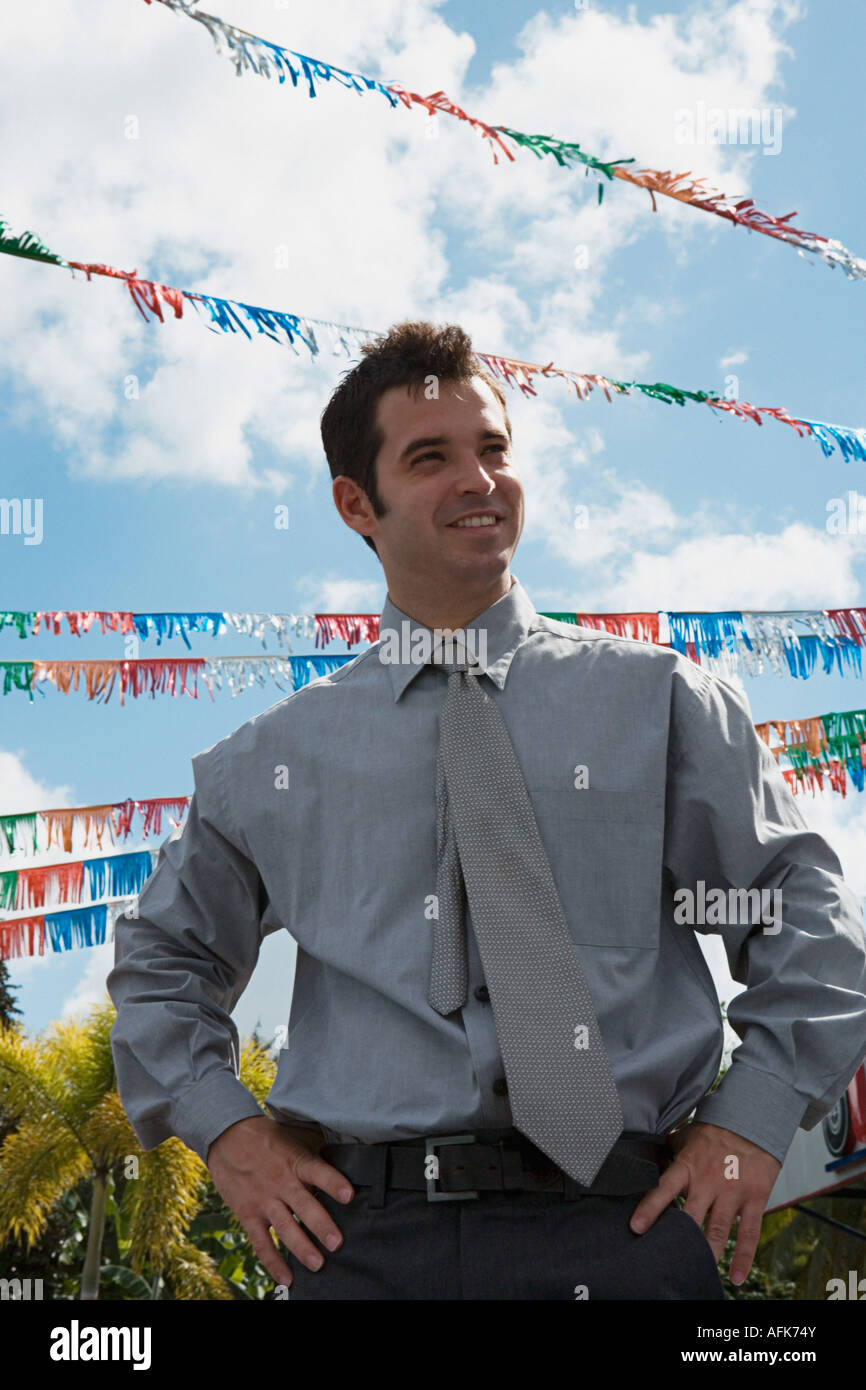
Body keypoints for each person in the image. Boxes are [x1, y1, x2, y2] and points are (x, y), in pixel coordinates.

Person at [108, 321, 866, 1301]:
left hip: (629, 1233)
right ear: (355, 503)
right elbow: (161, 965)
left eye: (494, 449)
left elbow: (802, 919)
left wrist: (751, 1119)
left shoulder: (663, 700)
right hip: (362, 1251)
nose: (478, 479)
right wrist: (229, 1132)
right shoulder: (266, 763)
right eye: (430, 458)